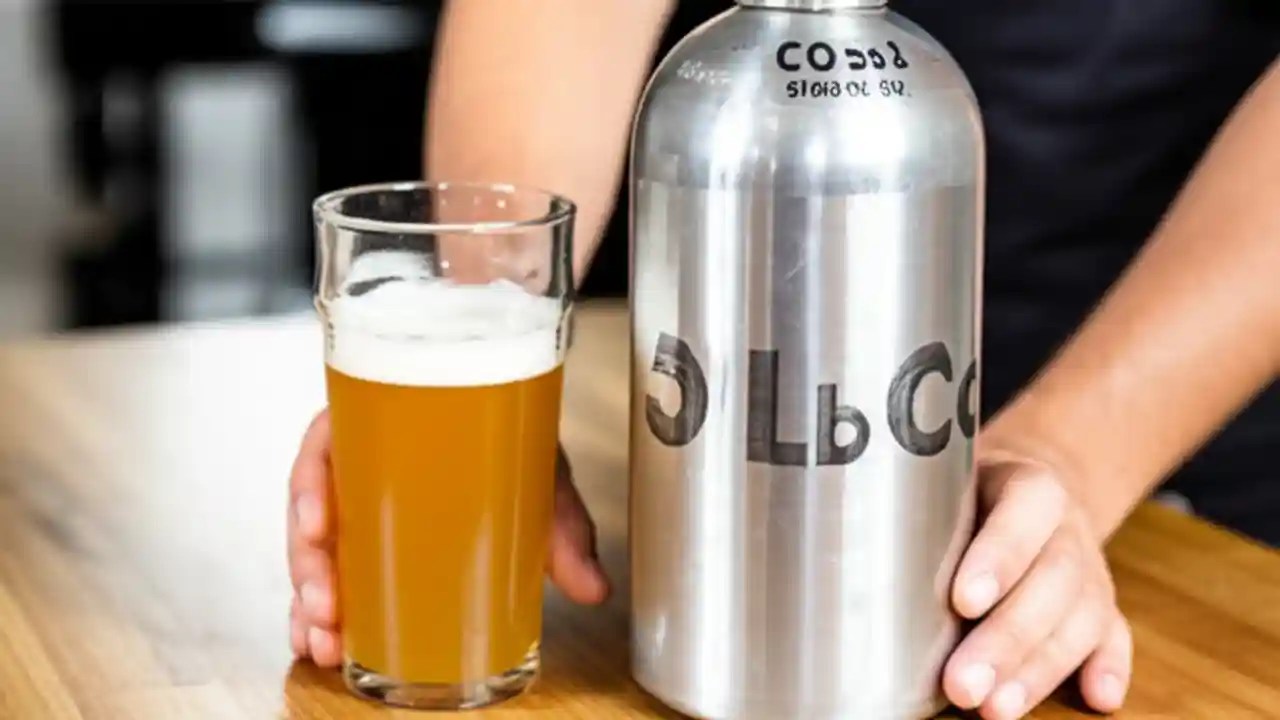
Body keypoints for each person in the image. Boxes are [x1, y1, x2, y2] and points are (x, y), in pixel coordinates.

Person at [286, 2, 1280, 718]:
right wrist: (486, 335)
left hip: (1186, 410)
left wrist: (1068, 456)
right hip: (705, 528)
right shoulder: (713, 81)